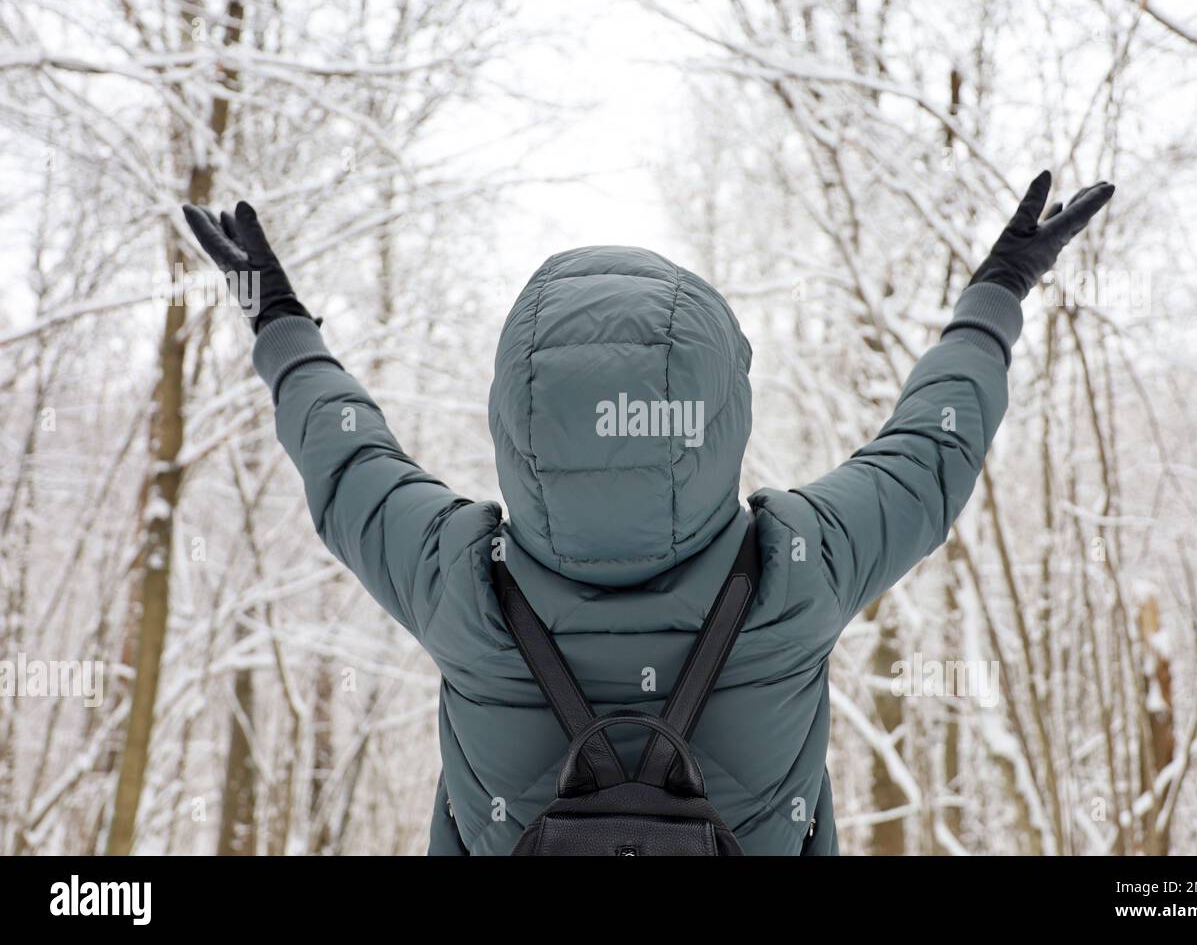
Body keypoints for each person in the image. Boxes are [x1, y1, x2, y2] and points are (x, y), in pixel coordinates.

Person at [183, 171, 1113, 855]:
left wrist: (274, 313)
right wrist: (999, 290)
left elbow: (343, 455)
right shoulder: (799, 568)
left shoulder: (453, 579)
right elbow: (931, 451)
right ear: (722, 410)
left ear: (513, 418)